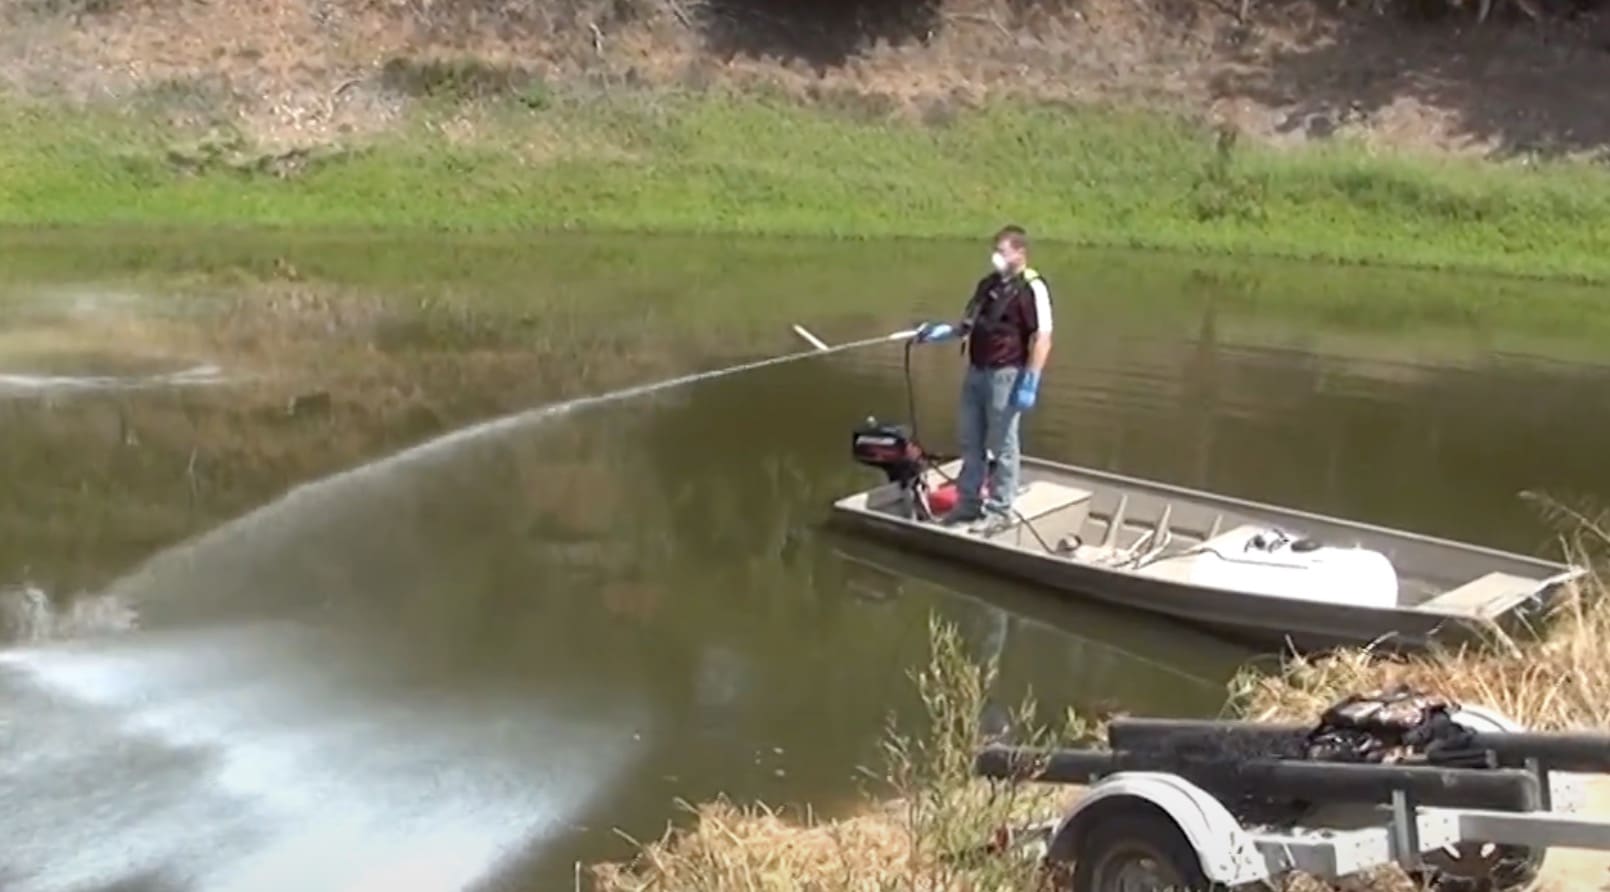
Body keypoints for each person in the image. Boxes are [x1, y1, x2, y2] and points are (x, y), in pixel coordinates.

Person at [912, 224, 1053, 534]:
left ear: (1020, 252)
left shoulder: (1033, 287)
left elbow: (1042, 338)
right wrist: (940, 333)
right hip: (976, 371)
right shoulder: (987, 285)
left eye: (1002, 251)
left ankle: (1000, 510)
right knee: (970, 439)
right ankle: (967, 504)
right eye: (995, 250)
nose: (996, 257)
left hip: (1007, 374)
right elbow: (968, 325)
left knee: (1003, 444)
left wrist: (1030, 381)